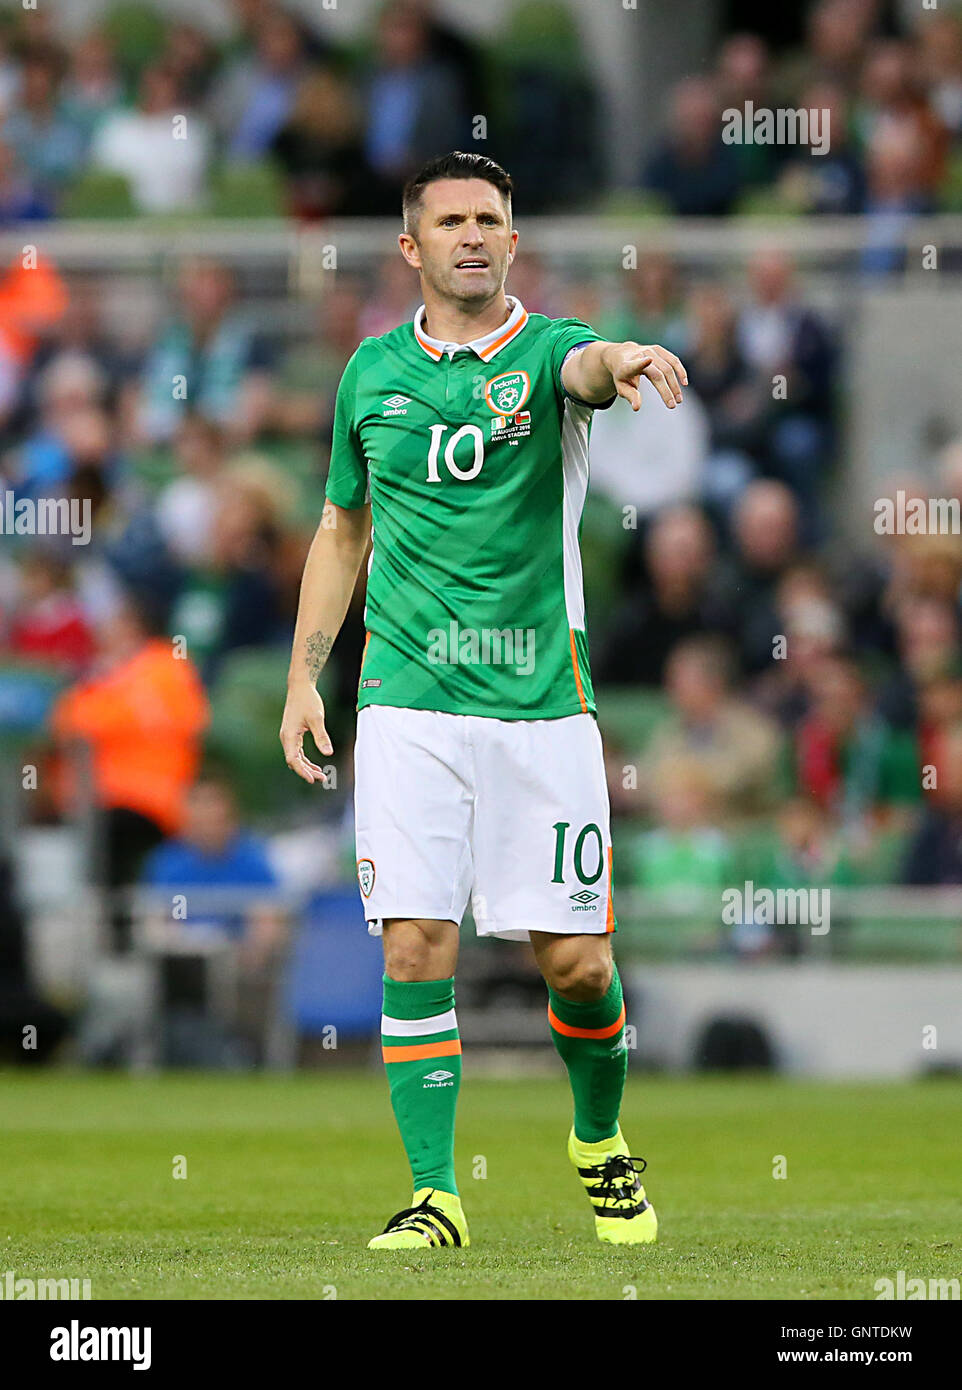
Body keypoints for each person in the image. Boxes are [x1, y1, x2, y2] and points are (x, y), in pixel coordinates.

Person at [280, 150, 688, 1251]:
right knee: (414, 942)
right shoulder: (368, 373)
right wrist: (303, 675)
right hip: (405, 704)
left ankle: (597, 1140)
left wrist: (630, 351)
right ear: (410, 246)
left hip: (541, 708)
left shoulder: (548, 351)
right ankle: (434, 1195)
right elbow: (340, 528)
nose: (472, 234)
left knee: (579, 964)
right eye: (451, 219)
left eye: (490, 219)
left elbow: (593, 368)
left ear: (513, 241)